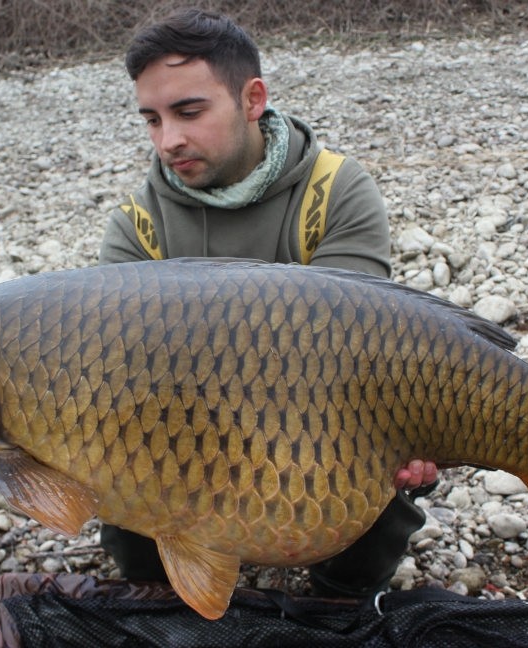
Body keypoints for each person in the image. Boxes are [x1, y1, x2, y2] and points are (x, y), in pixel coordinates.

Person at [97, 8, 439, 600]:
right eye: (151, 119)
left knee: (384, 486)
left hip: (322, 419)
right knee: (122, 492)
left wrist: (422, 432)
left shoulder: (335, 190)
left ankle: (336, 601)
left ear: (252, 99)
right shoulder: (138, 226)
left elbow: (363, 350)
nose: (168, 139)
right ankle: (174, 604)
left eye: (189, 111)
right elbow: (119, 376)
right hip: (185, 423)